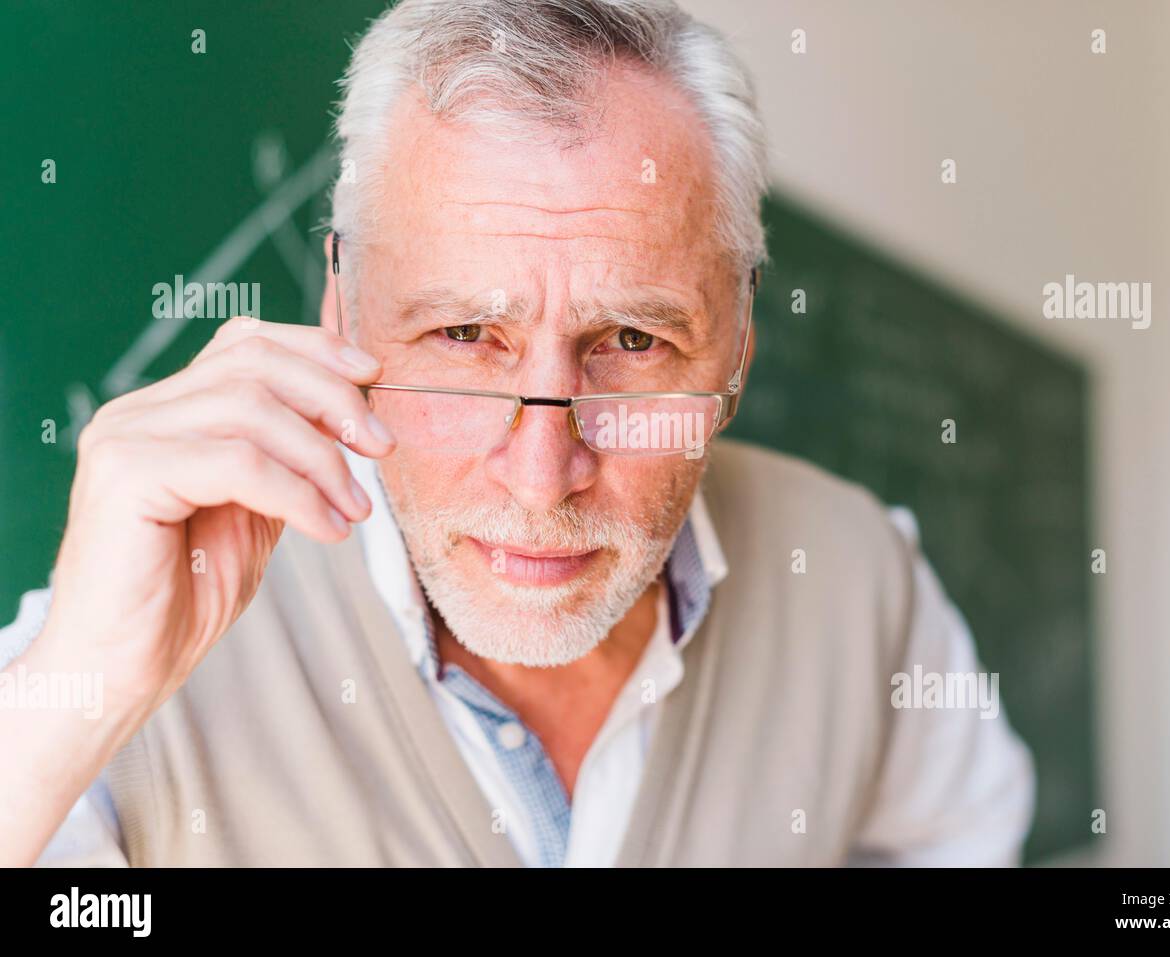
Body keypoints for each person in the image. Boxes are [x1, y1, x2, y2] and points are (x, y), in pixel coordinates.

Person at [0, 0, 1033, 867]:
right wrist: (83, 687)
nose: (543, 478)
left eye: (630, 339)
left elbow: (961, 838)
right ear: (342, 313)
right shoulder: (105, 662)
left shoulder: (857, 574)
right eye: (463, 335)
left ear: (738, 340)